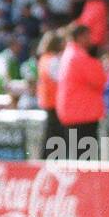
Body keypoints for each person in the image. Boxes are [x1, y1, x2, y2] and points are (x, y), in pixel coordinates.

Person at [55, 23, 107, 161]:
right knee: (85, 162)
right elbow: (100, 80)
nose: (91, 40)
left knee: (76, 159)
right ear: (80, 37)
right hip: (82, 115)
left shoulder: (68, 54)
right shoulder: (80, 56)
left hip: (73, 113)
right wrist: (97, 61)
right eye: (88, 36)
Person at [34, 30, 65, 160]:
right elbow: (61, 78)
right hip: (55, 101)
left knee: (50, 132)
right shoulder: (53, 60)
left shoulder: (44, 58)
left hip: (47, 99)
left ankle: (47, 158)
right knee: (55, 134)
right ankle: (51, 159)